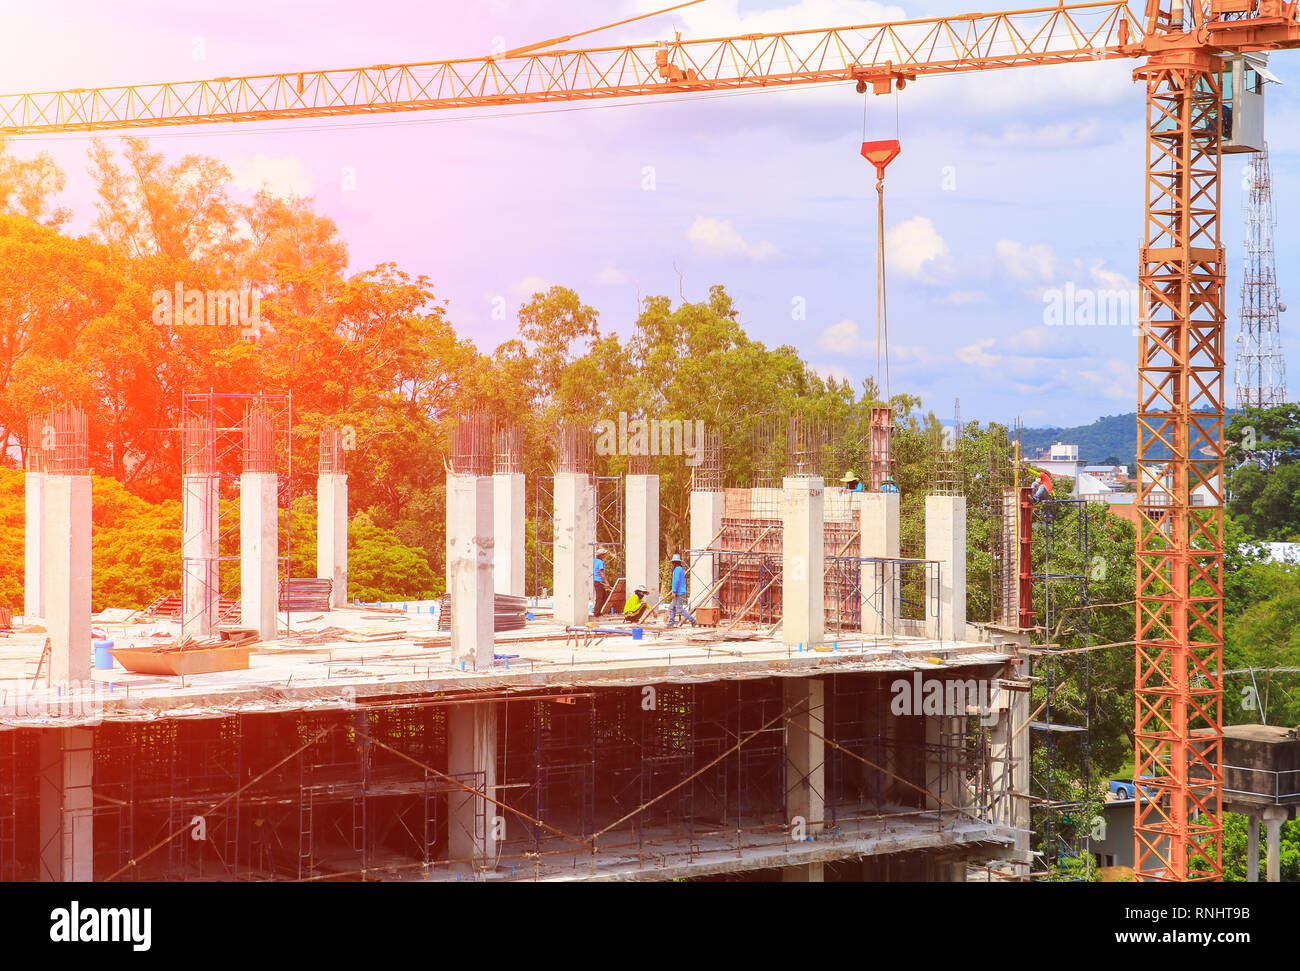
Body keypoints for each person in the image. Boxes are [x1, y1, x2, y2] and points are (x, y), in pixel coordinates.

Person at [667, 553, 697, 627]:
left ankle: (692, 620)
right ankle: (671, 623)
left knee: (679, 609)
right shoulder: (680, 569)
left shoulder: (677, 569)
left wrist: (674, 591)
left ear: (674, 562)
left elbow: (676, 581)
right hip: (679, 591)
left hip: (678, 592)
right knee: (672, 607)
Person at [593, 548, 609, 615]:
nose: (605, 555)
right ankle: (596, 613)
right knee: (600, 597)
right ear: (601, 555)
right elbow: (601, 573)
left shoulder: (594, 561)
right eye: (604, 554)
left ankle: (597, 611)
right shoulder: (600, 562)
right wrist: (607, 583)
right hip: (599, 581)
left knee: (603, 596)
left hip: (596, 581)